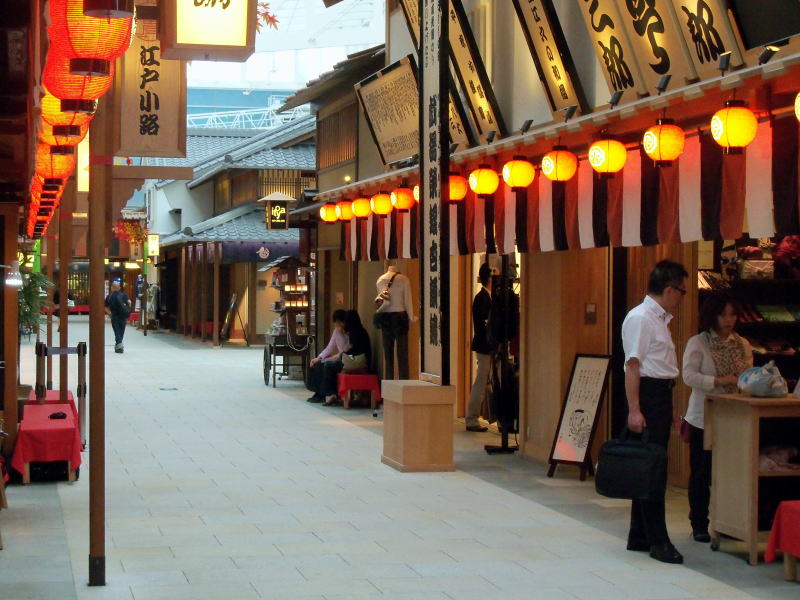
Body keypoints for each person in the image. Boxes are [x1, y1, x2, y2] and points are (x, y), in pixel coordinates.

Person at [621, 259, 688, 564]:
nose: (682, 297)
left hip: (659, 395)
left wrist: (670, 410)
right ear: (670, 289)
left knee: (647, 467)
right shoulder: (642, 318)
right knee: (654, 470)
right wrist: (634, 409)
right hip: (648, 396)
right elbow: (633, 366)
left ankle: (639, 534)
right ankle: (658, 541)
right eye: (682, 291)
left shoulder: (658, 318)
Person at [682, 293, 752, 543]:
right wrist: (719, 381)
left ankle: (731, 524)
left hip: (735, 417)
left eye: (732, 314)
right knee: (701, 473)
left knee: (732, 473)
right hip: (703, 417)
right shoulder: (698, 342)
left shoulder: (742, 344)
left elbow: (749, 375)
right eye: (723, 314)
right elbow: (688, 376)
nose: (728, 320)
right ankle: (699, 523)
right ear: (712, 315)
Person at [374, 265, 415, 380]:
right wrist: (411, 317)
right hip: (400, 317)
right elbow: (408, 301)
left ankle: (389, 380)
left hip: (385, 317)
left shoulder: (380, 280)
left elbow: (381, 301)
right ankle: (404, 380)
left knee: (388, 353)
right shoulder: (404, 279)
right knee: (402, 353)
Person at [467, 264, 494, 432]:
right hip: (484, 345)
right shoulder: (482, 298)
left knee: (484, 381)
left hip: (486, 345)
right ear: (489, 278)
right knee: (481, 381)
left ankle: (478, 416)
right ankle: (471, 418)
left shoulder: (486, 296)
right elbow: (484, 325)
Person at [325, 310, 372, 406]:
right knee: (330, 364)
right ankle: (334, 394)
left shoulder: (354, 332)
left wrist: (341, 355)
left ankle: (333, 394)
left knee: (329, 366)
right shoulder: (360, 330)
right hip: (361, 360)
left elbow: (352, 350)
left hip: (358, 362)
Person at [307, 310, 348, 403]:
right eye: (336, 322)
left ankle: (324, 393)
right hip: (338, 357)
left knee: (326, 365)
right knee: (318, 363)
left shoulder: (349, 332)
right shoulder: (336, 331)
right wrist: (319, 357)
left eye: (339, 322)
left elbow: (347, 349)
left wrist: (342, 334)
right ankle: (318, 393)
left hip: (345, 359)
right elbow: (330, 347)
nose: (338, 324)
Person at [104, 281, 131, 353]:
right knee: (121, 331)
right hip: (123, 316)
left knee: (117, 331)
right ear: (119, 288)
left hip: (114, 316)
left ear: (112, 288)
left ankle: (119, 346)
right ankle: (118, 345)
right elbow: (129, 302)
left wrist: (110, 313)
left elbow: (106, 307)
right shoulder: (124, 295)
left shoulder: (109, 296)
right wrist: (127, 310)